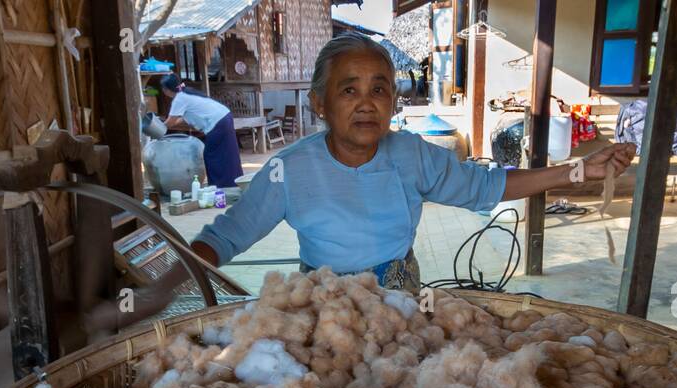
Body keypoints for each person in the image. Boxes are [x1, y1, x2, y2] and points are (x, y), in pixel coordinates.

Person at [189, 33, 635, 292]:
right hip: (324, 309)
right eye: (349, 90)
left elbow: (486, 188)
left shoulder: (411, 154)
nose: (366, 104)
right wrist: (168, 285)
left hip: (401, 297)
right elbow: (226, 237)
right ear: (320, 104)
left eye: (379, 89)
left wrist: (580, 170)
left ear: (393, 101)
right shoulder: (288, 170)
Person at [161, 73, 244, 188]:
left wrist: (158, 126)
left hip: (217, 123)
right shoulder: (186, 92)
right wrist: (167, 123)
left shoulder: (179, 99)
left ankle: (220, 186)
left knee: (211, 155)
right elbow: (178, 120)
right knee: (228, 153)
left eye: (163, 89)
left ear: (166, 89)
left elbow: (170, 122)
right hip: (224, 117)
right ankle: (231, 183)